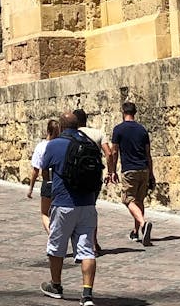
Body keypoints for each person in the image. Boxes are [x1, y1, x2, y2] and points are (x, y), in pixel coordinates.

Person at [38, 111, 102, 306]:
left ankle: (56, 286)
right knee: (87, 250)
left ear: (62, 127)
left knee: (56, 247)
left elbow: (45, 171)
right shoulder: (90, 143)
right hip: (88, 203)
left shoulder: (54, 145)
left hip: (63, 204)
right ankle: (87, 294)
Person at [106, 101, 154, 246]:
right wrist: (151, 174)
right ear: (135, 113)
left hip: (129, 169)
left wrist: (112, 170)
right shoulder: (142, 130)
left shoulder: (118, 130)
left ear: (123, 112)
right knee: (139, 200)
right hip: (143, 169)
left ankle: (143, 224)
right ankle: (136, 231)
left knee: (128, 200)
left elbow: (114, 152)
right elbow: (148, 154)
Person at [73, 109, 107, 255]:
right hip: (95, 177)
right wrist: (110, 171)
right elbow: (109, 153)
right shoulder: (98, 133)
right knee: (91, 208)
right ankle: (93, 242)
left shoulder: (72, 135)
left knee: (76, 209)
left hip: (76, 178)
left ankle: (80, 242)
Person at [27, 119, 61, 232]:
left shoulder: (41, 147)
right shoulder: (62, 145)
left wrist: (31, 188)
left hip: (48, 182)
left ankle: (52, 235)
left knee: (45, 213)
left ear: (47, 131)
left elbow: (36, 170)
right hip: (61, 183)